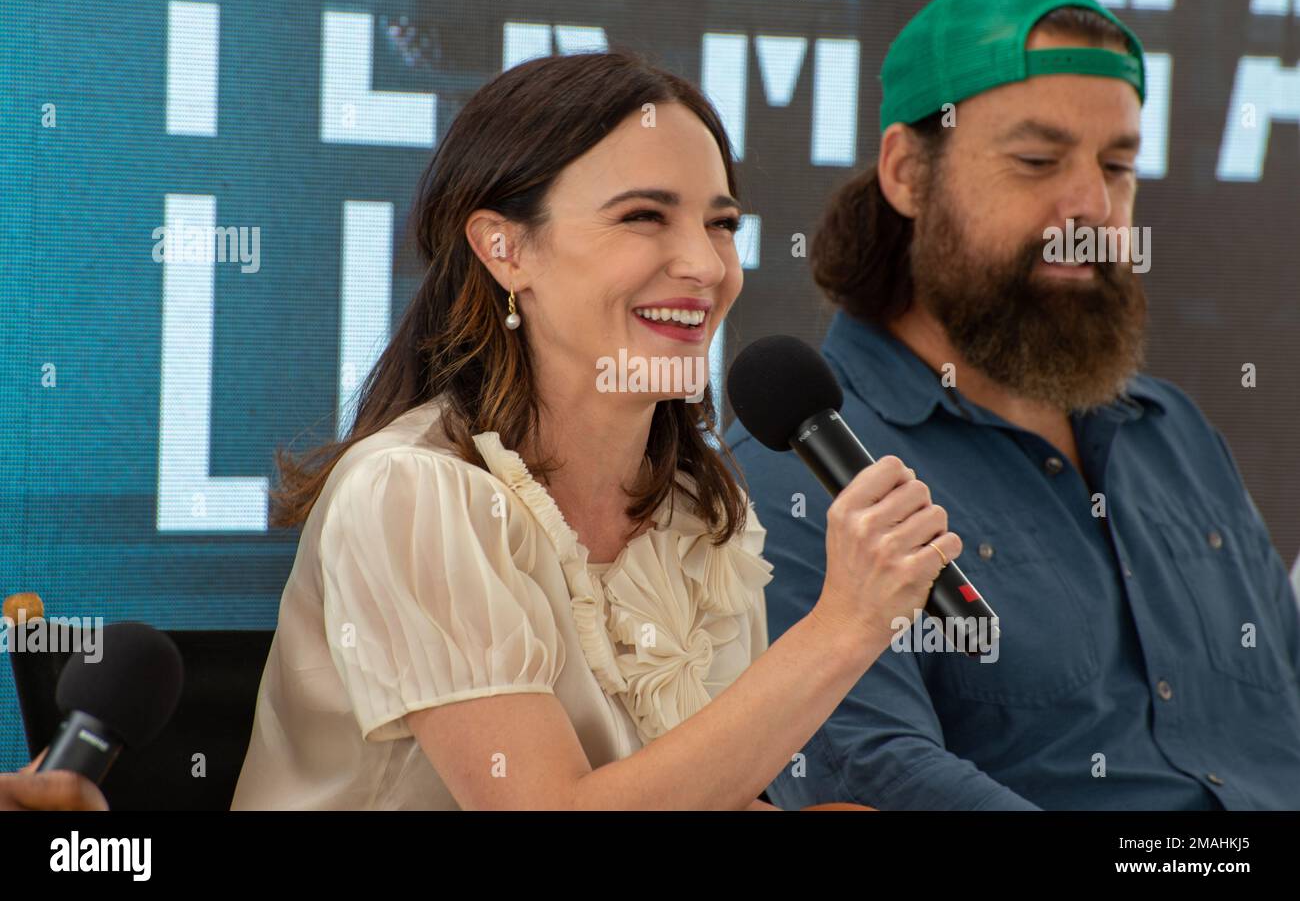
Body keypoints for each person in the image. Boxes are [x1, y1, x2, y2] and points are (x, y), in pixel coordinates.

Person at [231, 50, 959, 810]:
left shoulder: (700, 510)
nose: (706, 265)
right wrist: (843, 627)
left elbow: (695, 789)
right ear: (503, 249)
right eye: (644, 217)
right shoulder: (413, 493)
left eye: (721, 224)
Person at [727, 0, 1300, 810]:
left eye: (1119, 164)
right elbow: (876, 776)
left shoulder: (1172, 430)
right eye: (1037, 161)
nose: (1092, 206)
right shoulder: (803, 466)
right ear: (906, 173)